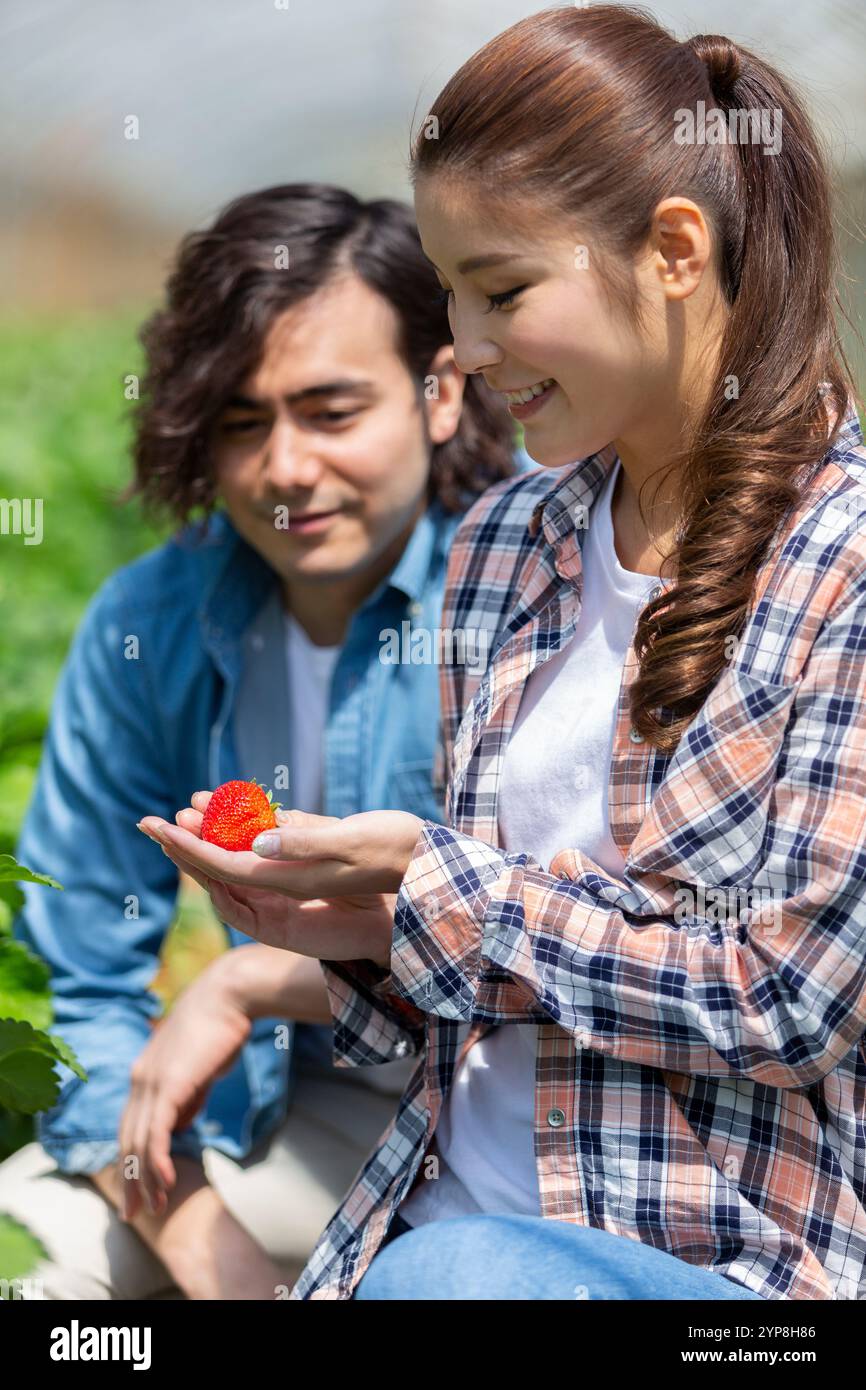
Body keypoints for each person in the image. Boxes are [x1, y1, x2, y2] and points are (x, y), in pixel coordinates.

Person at [141, 7, 866, 1302]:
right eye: (449, 298)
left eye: (502, 290)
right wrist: (350, 930)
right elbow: (495, 984)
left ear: (673, 251)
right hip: (431, 1222)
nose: (464, 356)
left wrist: (439, 881)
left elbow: (782, 1000)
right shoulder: (503, 543)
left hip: (713, 1267)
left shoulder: (840, 562)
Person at [0, 182, 521, 1299]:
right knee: (35, 1275)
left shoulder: (535, 589)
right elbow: (78, 976)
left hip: (508, 1118)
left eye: (331, 412)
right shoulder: (152, 623)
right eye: (242, 420)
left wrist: (247, 975)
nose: (285, 468)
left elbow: (571, 942)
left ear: (438, 394)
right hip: (271, 1114)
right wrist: (203, 1245)